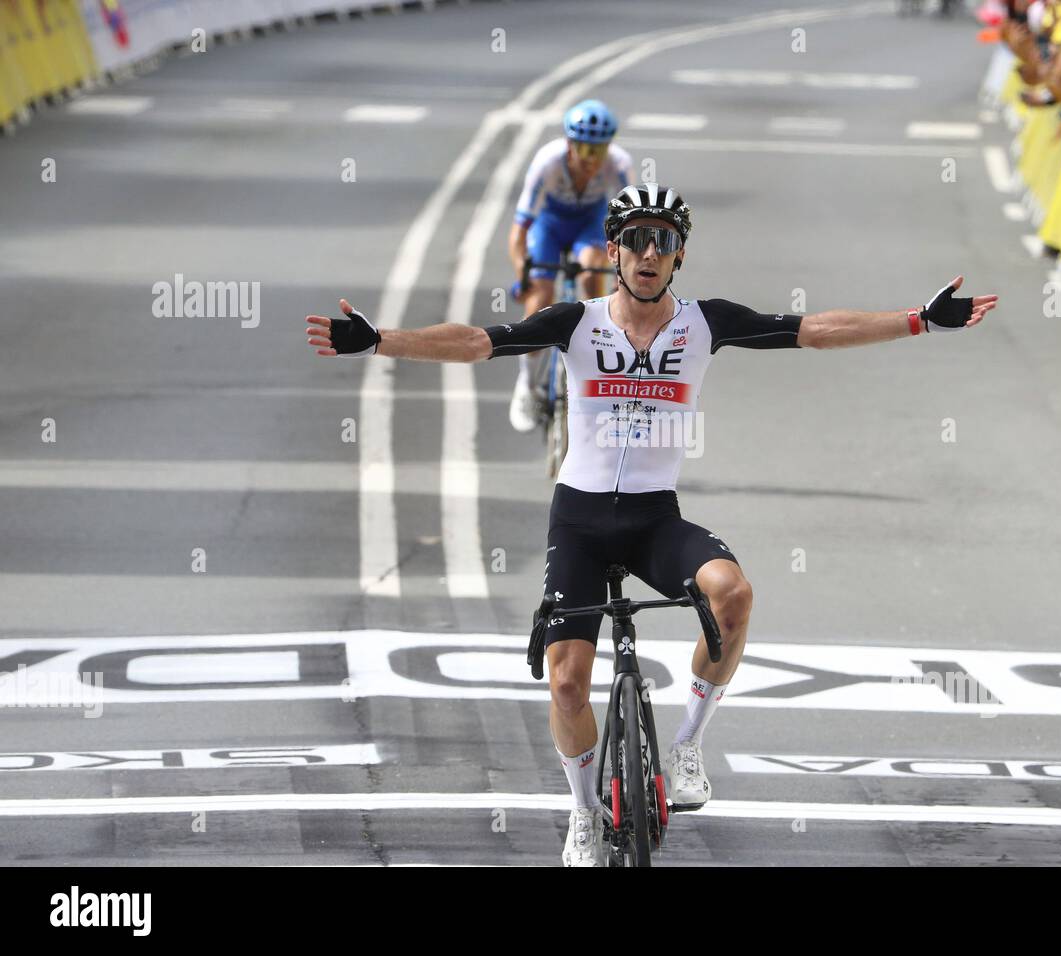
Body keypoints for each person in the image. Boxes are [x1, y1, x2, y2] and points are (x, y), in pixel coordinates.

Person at [305, 182, 998, 866]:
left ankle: (689, 746)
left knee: (733, 595)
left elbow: (814, 331)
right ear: (613, 250)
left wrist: (920, 320)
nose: (647, 252)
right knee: (568, 683)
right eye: (634, 238)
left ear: (678, 257)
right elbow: (478, 343)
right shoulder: (575, 322)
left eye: (661, 241)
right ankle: (582, 811)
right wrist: (380, 342)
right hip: (577, 522)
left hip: (653, 520)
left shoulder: (707, 323)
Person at [507, 98, 633, 433]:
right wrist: (523, 272)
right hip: (549, 226)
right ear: (569, 145)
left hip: (589, 225)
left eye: (599, 151)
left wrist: (625, 280)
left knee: (593, 269)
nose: (593, 161)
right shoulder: (547, 162)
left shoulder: (619, 164)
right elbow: (519, 230)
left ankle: (593, 346)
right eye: (585, 151)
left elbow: (629, 228)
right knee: (540, 296)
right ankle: (527, 386)